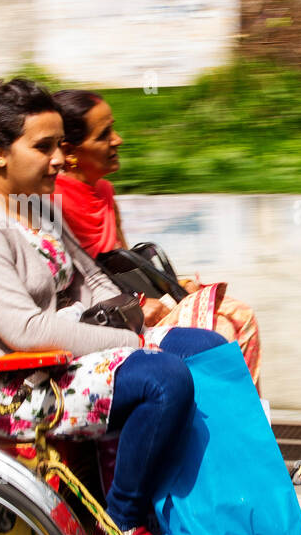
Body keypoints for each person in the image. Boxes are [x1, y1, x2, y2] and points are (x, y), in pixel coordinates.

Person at [0, 77, 224, 535]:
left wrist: (114, 319)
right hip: (12, 385)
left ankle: (191, 509)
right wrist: (128, 336)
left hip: (60, 360)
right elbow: (27, 331)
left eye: (61, 145)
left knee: (205, 348)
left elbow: (99, 285)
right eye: (44, 147)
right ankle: (120, 523)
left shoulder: (39, 212)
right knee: (163, 380)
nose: (61, 158)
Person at [52, 89, 263, 390]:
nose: (118, 140)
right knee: (227, 328)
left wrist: (172, 286)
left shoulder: (105, 193)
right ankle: (231, 427)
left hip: (133, 304)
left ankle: (242, 424)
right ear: (70, 152)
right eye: (104, 135)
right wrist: (140, 303)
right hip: (103, 319)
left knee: (240, 316)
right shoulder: (54, 202)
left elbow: (123, 268)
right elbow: (73, 286)